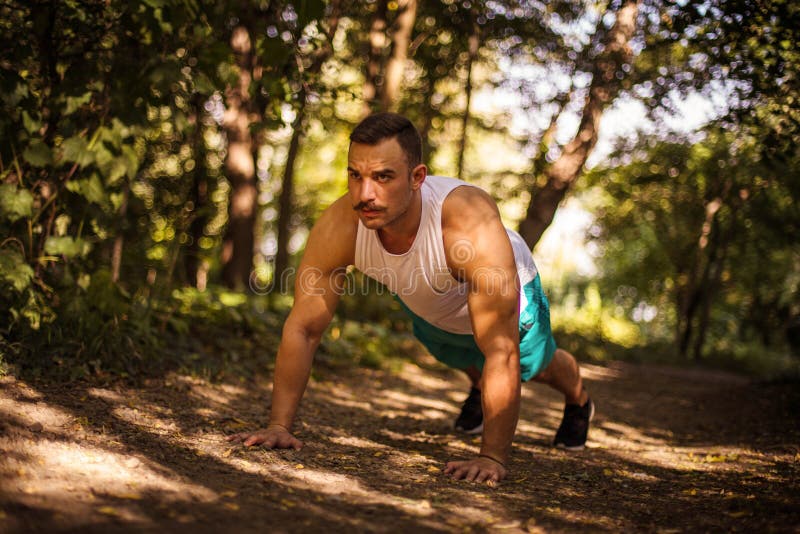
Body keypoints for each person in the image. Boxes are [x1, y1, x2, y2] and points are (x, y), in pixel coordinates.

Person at [227, 113, 594, 483]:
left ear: (417, 177)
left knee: (537, 366)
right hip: (430, 301)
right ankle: (481, 387)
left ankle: (579, 401)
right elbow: (304, 329)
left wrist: (491, 457)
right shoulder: (340, 226)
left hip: (507, 292)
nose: (364, 194)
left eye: (383, 177)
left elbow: (502, 351)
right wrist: (279, 425)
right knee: (453, 351)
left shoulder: (467, 223)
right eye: (355, 175)